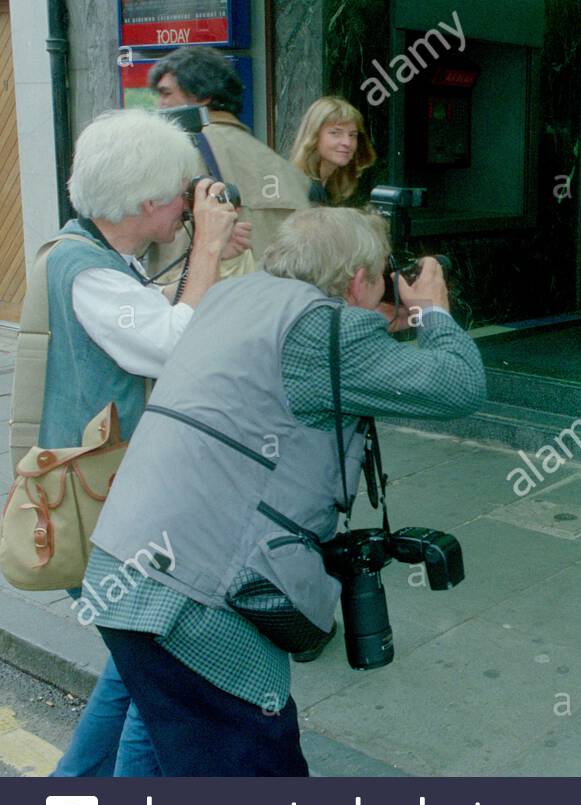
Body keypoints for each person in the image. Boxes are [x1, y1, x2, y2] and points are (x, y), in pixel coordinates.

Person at [82, 207, 487, 776]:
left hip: (124, 568)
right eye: (379, 273)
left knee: (165, 742)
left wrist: (373, 324)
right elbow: (460, 386)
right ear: (354, 281)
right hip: (197, 604)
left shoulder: (235, 296)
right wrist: (433, 314)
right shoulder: (325, 331)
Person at [40, 109, 241, 776]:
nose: (190, 200)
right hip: (107, 517)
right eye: (183, 191)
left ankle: (70, 798)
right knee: (156, 673)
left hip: (118, 506)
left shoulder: (102, 256)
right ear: (148, 202)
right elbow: (173, 345)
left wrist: (207, 254)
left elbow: (151, 316)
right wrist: (206, 249)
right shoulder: (88, 271)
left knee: (137, 667)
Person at [147, 46, 311, 279]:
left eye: (166, 94)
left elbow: (170, 266)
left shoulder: (180, 157)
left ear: (202, 96)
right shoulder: (283, 169)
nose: (160, 106)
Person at [288, 96, 378, 205]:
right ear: (314, 136)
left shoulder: (331, 184)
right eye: (335, 133)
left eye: (352, 135)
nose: (347, 142)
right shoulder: (303, 189)